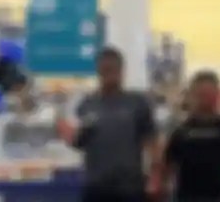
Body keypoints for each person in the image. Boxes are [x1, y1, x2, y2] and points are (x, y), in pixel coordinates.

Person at [60, 47, 159, 202]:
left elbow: (151, 142)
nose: (108, 75)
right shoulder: (87, 104)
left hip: (130, 187)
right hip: (96, 185)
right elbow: (77, 142)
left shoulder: (137, 103)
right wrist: (67, 131)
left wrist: (155, 177)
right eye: (104, 70)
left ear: (121, 71)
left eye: (112, 69)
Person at [155, 71, 220, 202]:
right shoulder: (181, 130)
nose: (206, 99)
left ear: (217, 95)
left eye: (210, 94)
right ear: (192, 95)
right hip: (186, 196)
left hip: (218, 196)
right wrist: (160, 188)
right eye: (201, 94)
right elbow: (168, 165)